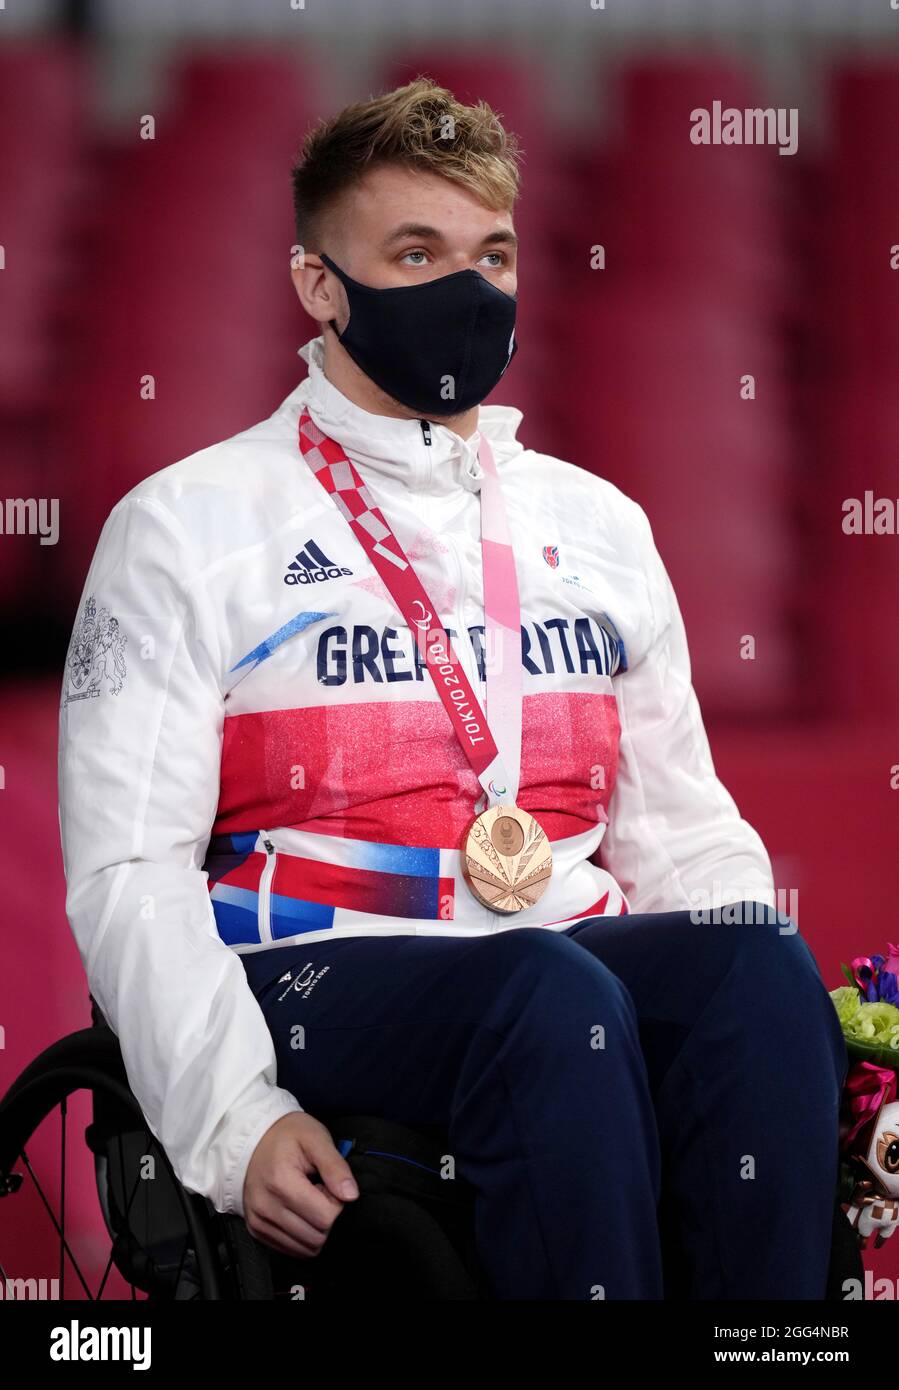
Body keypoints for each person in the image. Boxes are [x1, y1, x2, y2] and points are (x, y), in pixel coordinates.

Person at [58, 76, 847, 1300]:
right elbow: (127, 875)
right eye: (414, 253)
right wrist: (233, 1114)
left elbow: (683, 832)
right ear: (319, 284)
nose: (464, 293)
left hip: (547, 962)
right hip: (312, 973)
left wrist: (771, 1009)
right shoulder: (185, 527)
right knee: (541, 991)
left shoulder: (598, 527)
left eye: (490, 255)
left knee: (752, 968)